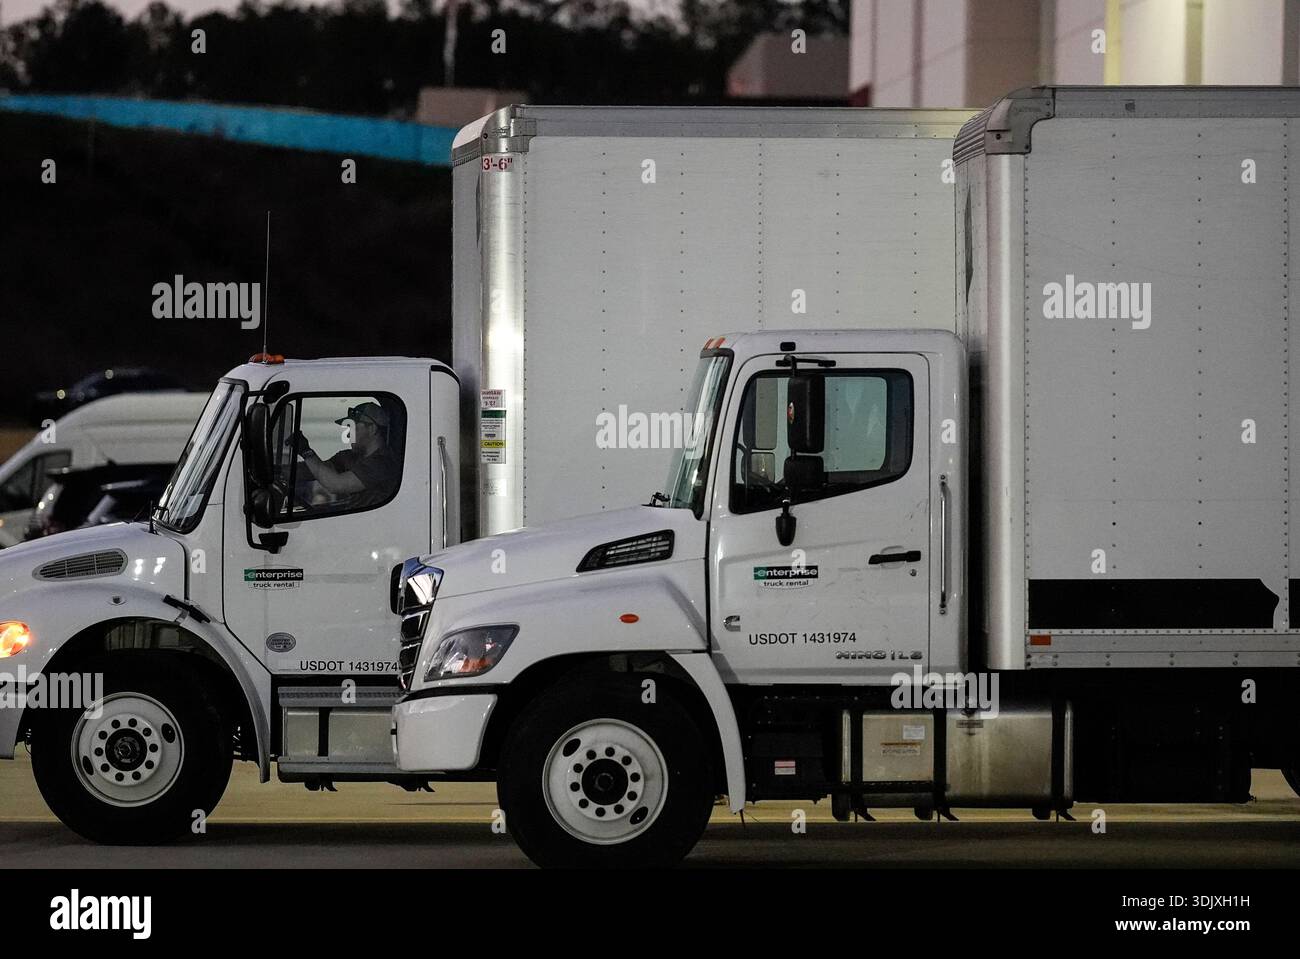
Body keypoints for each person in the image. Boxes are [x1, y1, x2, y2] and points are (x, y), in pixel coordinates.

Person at [289, 402, 401, 509]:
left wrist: (306, 452)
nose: (348, 434)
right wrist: (278, 471)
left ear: (372, 429)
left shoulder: (383, 463)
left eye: (352, 428)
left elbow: (336, 484)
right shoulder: (350, 457)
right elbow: (316, 470)